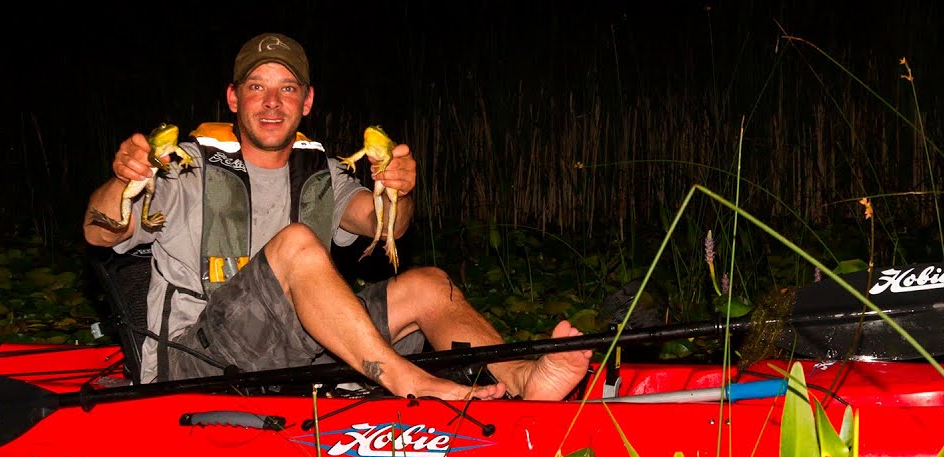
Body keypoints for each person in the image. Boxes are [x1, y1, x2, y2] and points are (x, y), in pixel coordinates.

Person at [83, 32, 591, 401]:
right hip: (196, 361)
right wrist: (125, 177)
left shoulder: (321, 171)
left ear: (307, 101)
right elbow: (99, 230)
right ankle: (407, 381)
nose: (271, 102)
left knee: (431, 284)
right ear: (234, 98)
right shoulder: (182, 166)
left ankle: (524, 378)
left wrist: (399, 189)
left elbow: (387, 226)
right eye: (257, 87)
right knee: (298, 241)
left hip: (294, 350)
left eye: (287, 89)